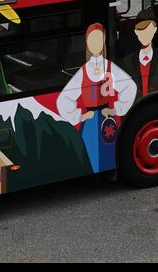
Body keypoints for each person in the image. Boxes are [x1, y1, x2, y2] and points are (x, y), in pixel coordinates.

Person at [56, 23, 136, 172]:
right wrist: (80, 116)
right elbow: (63, 99)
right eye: (92, 40)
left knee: (108, 155)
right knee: (90, 157)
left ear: (104, 41)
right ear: (87, 43)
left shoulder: (110, 66)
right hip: (90, 123)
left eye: (99, 39)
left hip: (108, 121)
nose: (95, 43)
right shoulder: (84, 70)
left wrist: (115, 109)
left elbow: (130, 86)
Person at [128, 6, 158, 97]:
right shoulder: (128, 60)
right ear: (136, 32)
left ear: (155, 30)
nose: (145, 34)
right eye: (141, 30)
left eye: (148, 29)